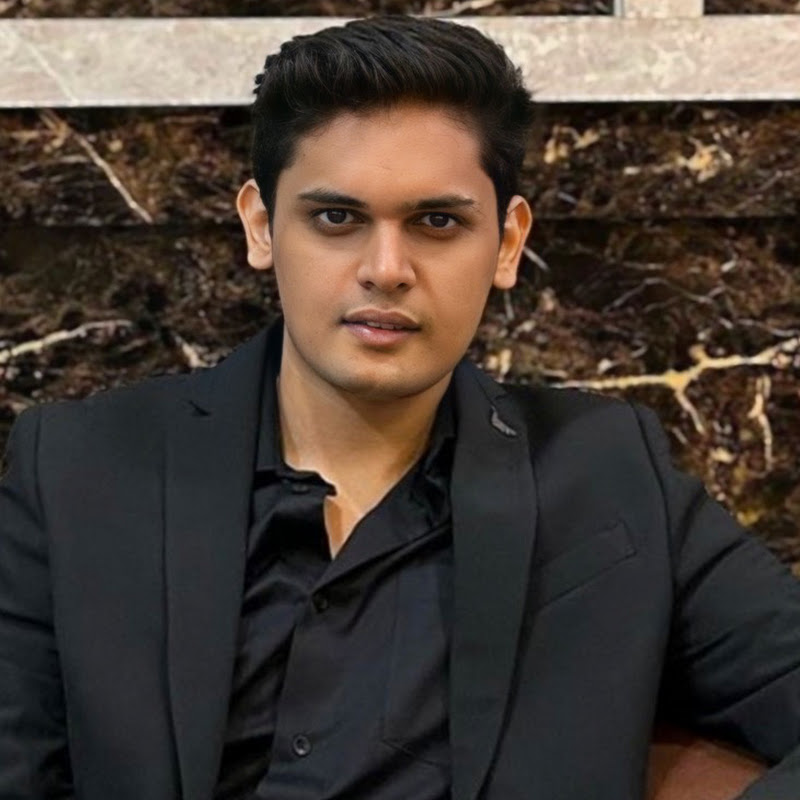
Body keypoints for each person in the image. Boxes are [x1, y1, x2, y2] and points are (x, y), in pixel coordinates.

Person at [0, 13, 798, 800]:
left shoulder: (610, 475)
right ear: (261, 226)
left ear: (508, 243)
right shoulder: (75, 469)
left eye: (437, 221)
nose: (387, 268)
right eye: (337, 218)